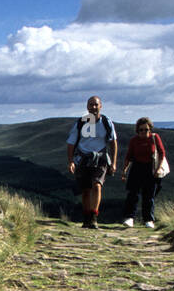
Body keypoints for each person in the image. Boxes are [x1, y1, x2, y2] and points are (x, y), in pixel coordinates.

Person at [65, 95, 117, 229]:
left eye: (96, 104)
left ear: (101, 106)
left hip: (100, 159)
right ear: (87, 107)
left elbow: (113, 143)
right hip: (82, 159)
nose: (93, 107)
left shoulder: (106, 122)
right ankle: (87, 217)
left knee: (97, 185)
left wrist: (114, 163)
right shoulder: (81, 123)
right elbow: (71, 144)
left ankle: (94, 217)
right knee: (86, 190)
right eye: (91, 105)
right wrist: (71, 161)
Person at [120, 117, 166, 228]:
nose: (143, 132)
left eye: (146, 129)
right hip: (136, 167)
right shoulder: (134, 141)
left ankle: (148, 219)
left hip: (151, 168)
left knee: (149, 195)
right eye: (141, 130)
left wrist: (159, 168)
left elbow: (161, 153)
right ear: (137, 130)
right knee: (132, 194)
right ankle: (130, 218)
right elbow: (129, 156)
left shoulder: (155, 138)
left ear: (150, 129)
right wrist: (124, 170)